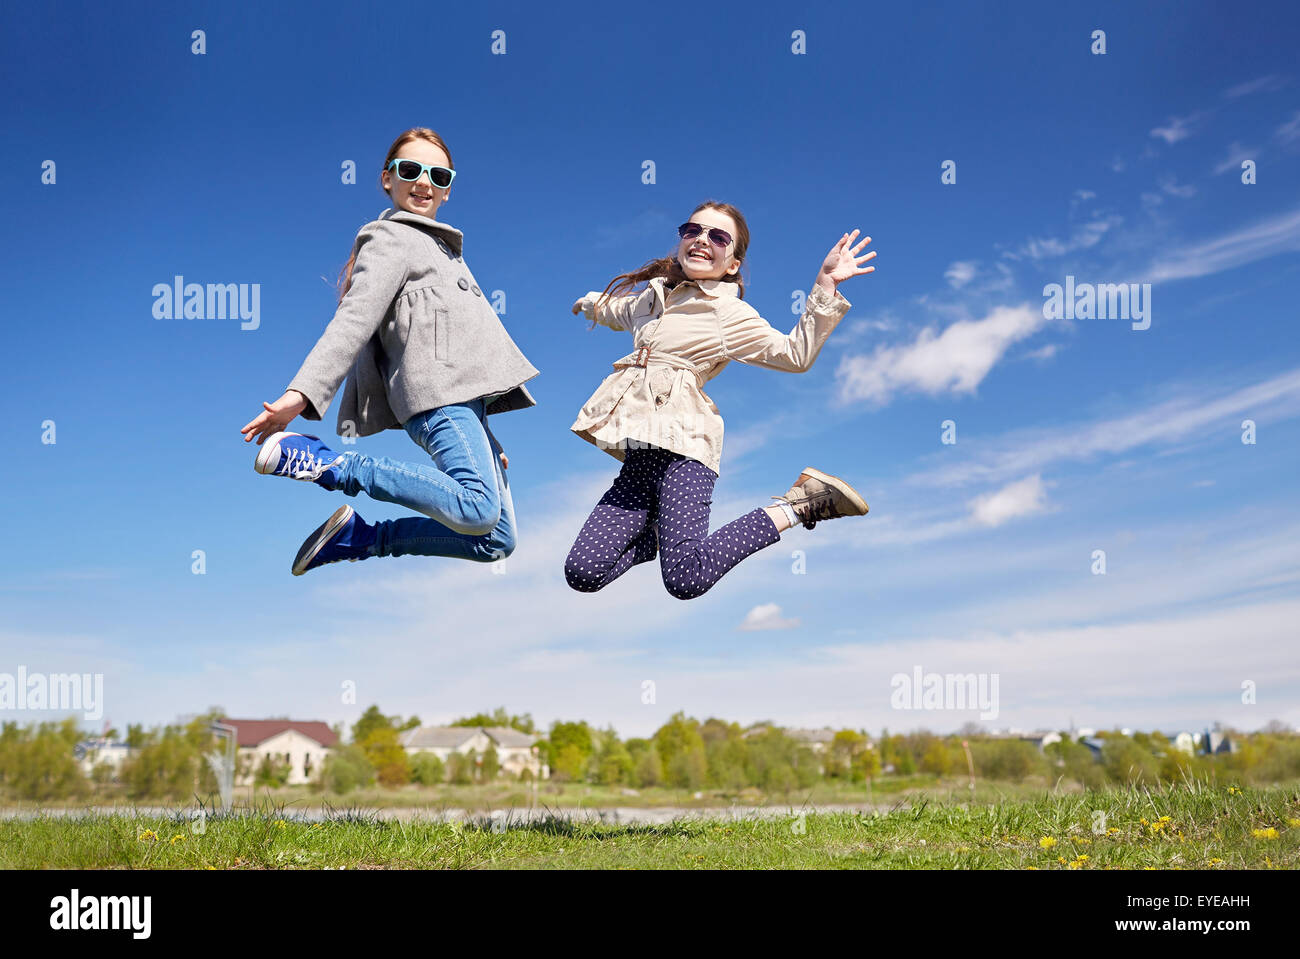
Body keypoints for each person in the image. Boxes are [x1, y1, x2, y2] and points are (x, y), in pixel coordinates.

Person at [240, 127, 538, 575]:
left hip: (465, 406)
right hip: (438, 399)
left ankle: (363, 538)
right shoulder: (389, 238)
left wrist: (487, 441)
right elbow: (353, 321)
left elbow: (461, 353)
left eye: (437, 174)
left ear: (448, 188)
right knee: (477, 510)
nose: (423, 182)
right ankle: (332, 465)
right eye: (410, 170)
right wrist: (299, 395)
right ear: (387, 178)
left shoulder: (443, 249)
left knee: (496, 540)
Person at [564, 201, 875, 600]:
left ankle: (801, 505)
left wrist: (824, 287)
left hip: (686, 450)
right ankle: (659, 532)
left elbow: (794, 354)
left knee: (685, 578)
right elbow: (616, 310)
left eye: (718, 236)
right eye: (692, 231)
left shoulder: (726, 311)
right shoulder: (650, 300)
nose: (702, 240)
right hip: (642, 455)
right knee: (584, 571)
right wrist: (589, 303)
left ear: (732, 263)